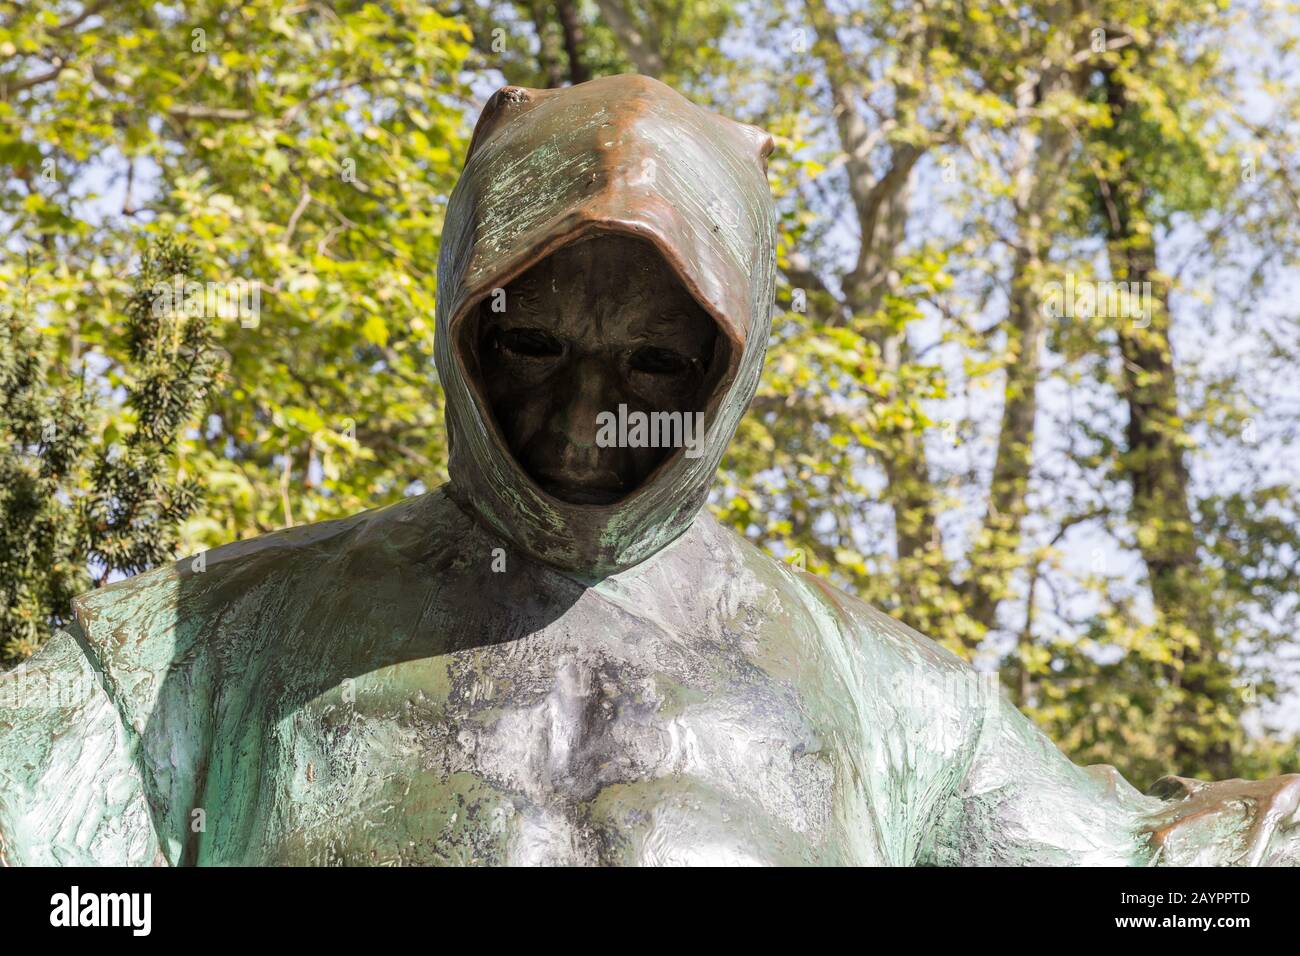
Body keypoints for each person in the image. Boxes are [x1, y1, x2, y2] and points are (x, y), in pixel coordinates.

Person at [1, 74, 1295, 866]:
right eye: (537, 344)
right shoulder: (197, 654)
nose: (581, 419)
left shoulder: (902, 713)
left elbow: (1153, 877)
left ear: (734, 367)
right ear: (459, 315)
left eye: (656, 372)